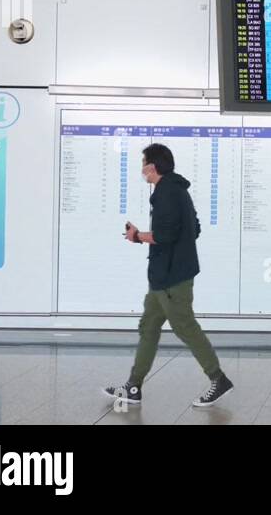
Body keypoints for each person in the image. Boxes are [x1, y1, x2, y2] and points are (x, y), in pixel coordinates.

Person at [102, 143, 233, 408]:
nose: (142, 171)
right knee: (148, 327)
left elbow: (165, 235)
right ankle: (134, 386)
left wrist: (136, 236)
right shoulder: (179, 190)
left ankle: (218, 379)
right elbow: (193, 228)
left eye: (143, 165)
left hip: (172, 279)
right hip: (161, 279)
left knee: (186, 328)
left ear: (152, 167)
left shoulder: (165, 193)